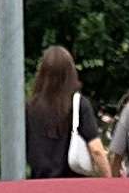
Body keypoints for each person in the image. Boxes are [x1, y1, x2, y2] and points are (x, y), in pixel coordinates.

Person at [21, 45, 107, 178]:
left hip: (38, 185)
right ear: (71, 73)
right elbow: (96, 150)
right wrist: (109, 178)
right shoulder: (78, 104)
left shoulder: (29, 107)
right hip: (73, 185)